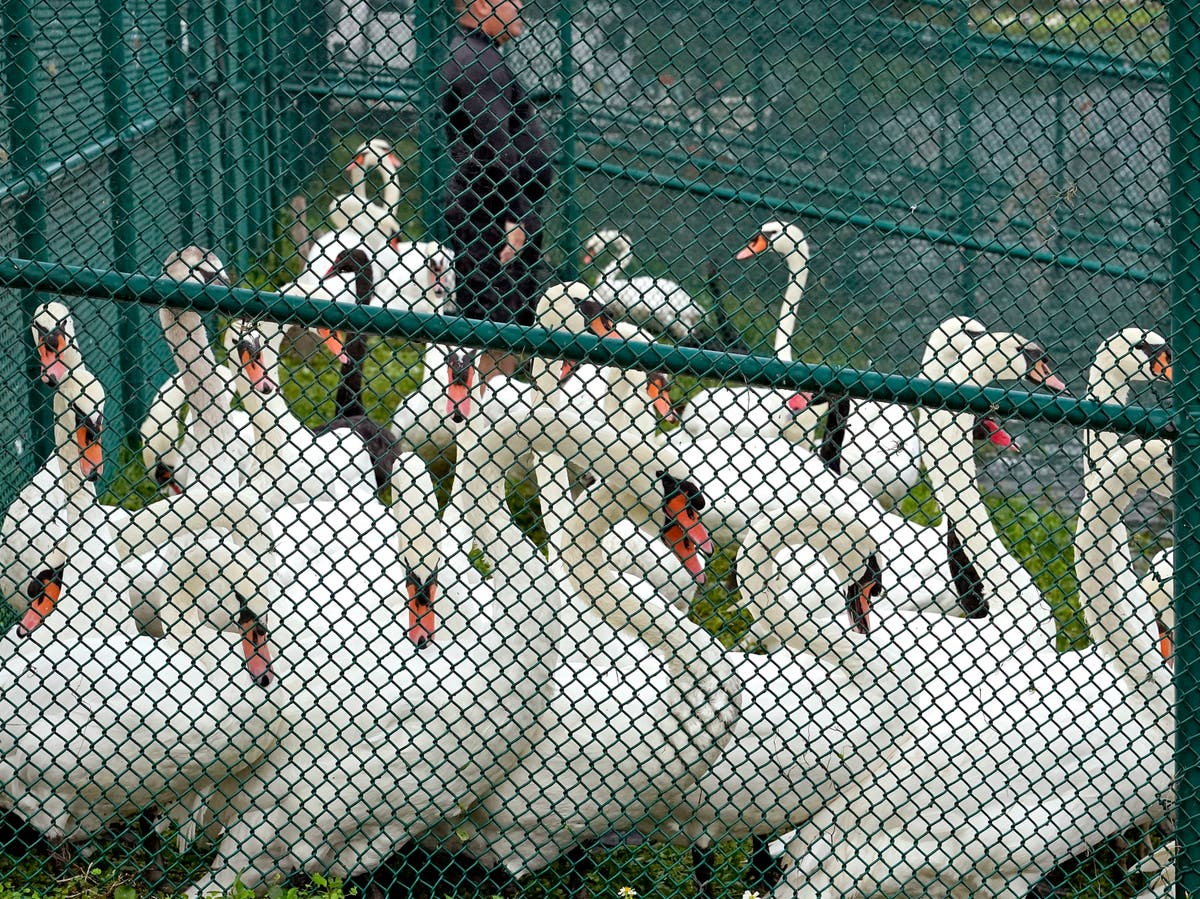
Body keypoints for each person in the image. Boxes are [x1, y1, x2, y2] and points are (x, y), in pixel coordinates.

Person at [442, 0, 554, 382]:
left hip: (495, 209)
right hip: (489, 213)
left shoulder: (485, 56)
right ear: (480, 4)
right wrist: (515, 214)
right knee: (493, 321)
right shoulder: (475, 61)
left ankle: (497, 402)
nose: (520, 5)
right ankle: (485, 408)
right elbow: (494, 146)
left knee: (509, 317)